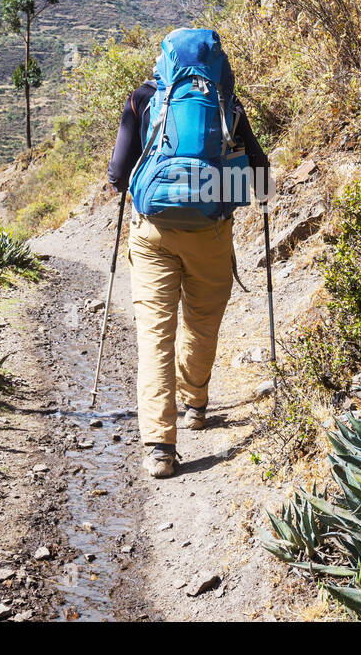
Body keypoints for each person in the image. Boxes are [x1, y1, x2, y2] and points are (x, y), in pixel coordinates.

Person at [106, 29, 269, 478]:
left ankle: (160, 446)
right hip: (211, 233)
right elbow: (260, 169)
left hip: (153, 232)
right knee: (202, 321)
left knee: (155, 337)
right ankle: (195, 403)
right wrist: (258, 195)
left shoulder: (144, 98)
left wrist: (124, 182)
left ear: (165, 59)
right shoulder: (227, 103)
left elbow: (119, 174)